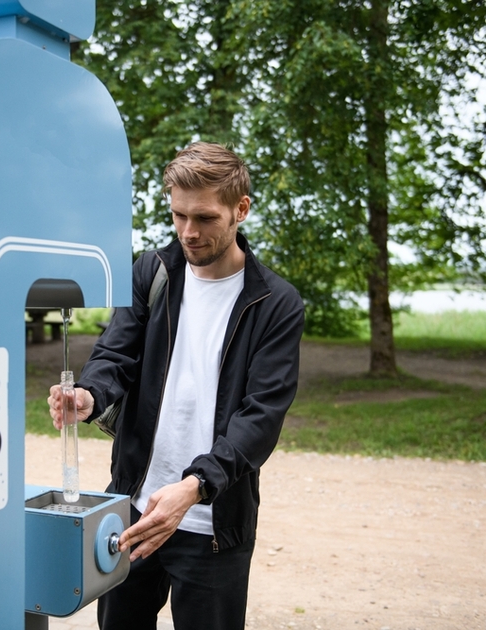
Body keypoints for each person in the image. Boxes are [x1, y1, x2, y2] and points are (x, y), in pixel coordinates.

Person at [47, 142, 305, 630]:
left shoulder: (276, 303)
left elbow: (261, 416)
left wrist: (194, 487)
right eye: (179, 215)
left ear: (241, 210)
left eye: (205, 218)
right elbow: (115, 355)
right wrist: (88, 395)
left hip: (212, 524)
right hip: (134, 507)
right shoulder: (152, 272)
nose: (189, 231)